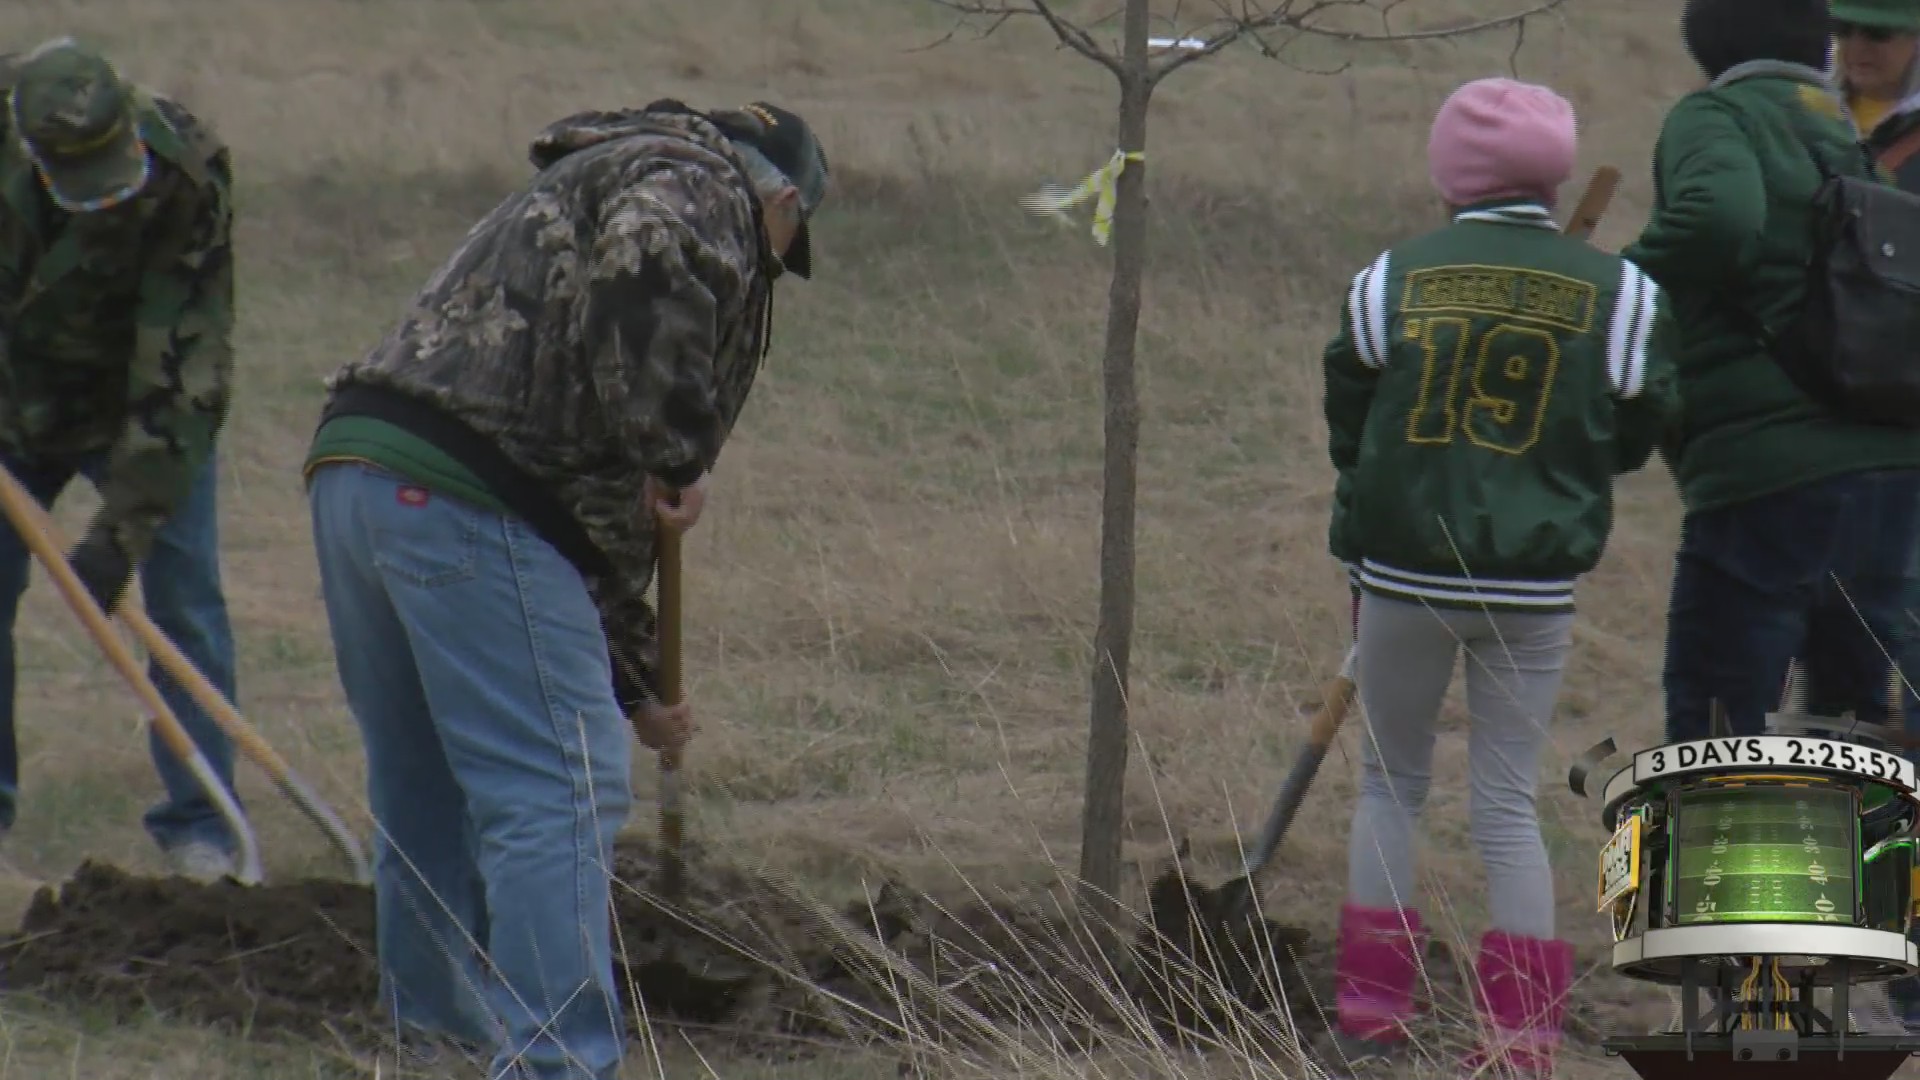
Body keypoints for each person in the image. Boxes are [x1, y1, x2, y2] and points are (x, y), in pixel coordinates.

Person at [302, 98, 829, 1079]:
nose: (774, 266)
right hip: (470, 501)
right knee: (559, 789)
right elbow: (651, 252)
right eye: (788, 241)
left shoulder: (589, 182)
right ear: (785, 196)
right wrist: (678, 446)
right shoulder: (694, 183)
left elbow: (585, 522)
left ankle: (440, 1040)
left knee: (428, 789)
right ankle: (557, 1061)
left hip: (359, 478)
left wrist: (635, 685)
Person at [1320, 77, 1677, 1076]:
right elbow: (1636, 428)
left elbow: (1353, 428)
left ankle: (1371, 1021)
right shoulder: (1625, 295)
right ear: (1553, 173)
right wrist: (1565, 465)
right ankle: (1522, 1042)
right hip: (1532, 589)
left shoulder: (1386, 281)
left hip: (1400, 575)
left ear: (1450, 177)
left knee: (1391, 783)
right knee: (1506, 805)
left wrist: (1363, 525)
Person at [1626, 0, 1920, 747]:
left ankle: (1723, 868)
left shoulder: (1718, 116)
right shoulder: (1846, 132)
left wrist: (1618, 292)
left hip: (1766, 481)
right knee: (1850, 732)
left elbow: (1718, 216)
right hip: (1885, 481)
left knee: (1720, 729)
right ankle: (1849, 867)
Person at [0, 37, 241, 882]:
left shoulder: (185, 170)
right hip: (8, 401)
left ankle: (202, 824)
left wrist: (122, 531)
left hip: (131, 405)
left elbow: (186, 366)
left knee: (187, 602)